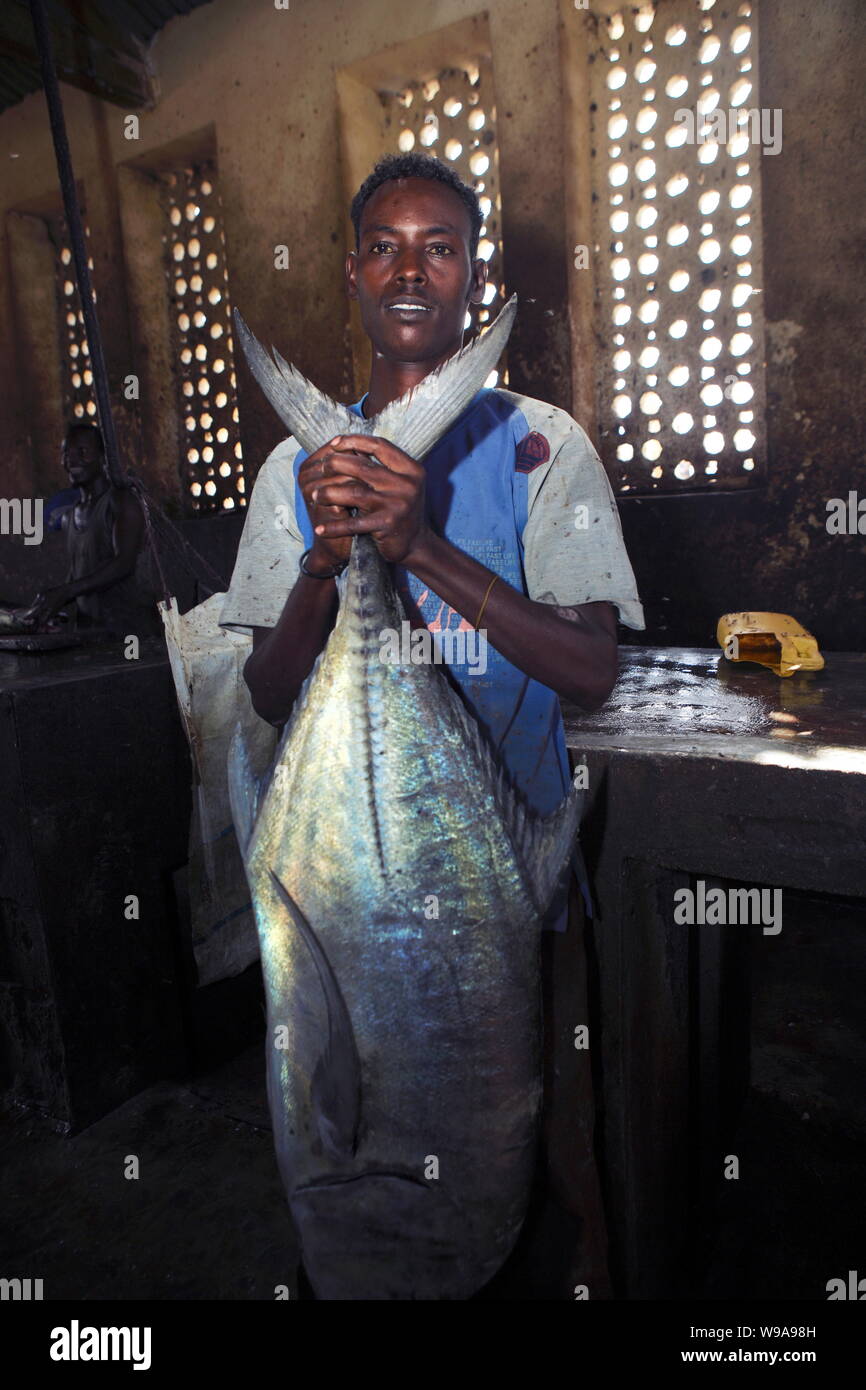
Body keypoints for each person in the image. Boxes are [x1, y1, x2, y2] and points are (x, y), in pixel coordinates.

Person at [219, 152, 646, 1295]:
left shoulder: (544, 444)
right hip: (344, 878)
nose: (411, 269)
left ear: (470, 276)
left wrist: (420, 549)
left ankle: (587, 1260)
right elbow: (267, 691)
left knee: (549, 1114)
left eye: (441, 247)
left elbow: (591, 667)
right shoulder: (287, 472)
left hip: (505, 874)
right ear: (350, 270)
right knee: (355, 1082)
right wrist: (325, 558)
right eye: (384, 245)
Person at [23, 422, 158, 639]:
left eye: (82, 452)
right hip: (92, 633)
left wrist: (66, 591)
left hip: (131, 632)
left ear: (103, 457)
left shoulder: (122, 502)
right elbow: (79, 573)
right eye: (66, 453)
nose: (72, 460)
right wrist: (52, 603)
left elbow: (124, 563)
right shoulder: (69, 517)